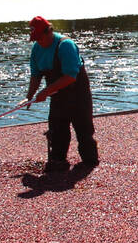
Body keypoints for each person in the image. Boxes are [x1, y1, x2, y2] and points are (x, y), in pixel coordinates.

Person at [24, 16, 98, 172]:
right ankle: (58, 163)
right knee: (57, 132)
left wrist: (45, 92)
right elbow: (36, 75)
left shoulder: (65, 45)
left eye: (40, 38)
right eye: (35, 39)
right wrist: (29, 97)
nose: (39, 42)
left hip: (78, 94)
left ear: (49, 31)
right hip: (57, 96)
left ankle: (90, 164)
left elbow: (70, 76)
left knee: (84, 132)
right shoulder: (37, 49)